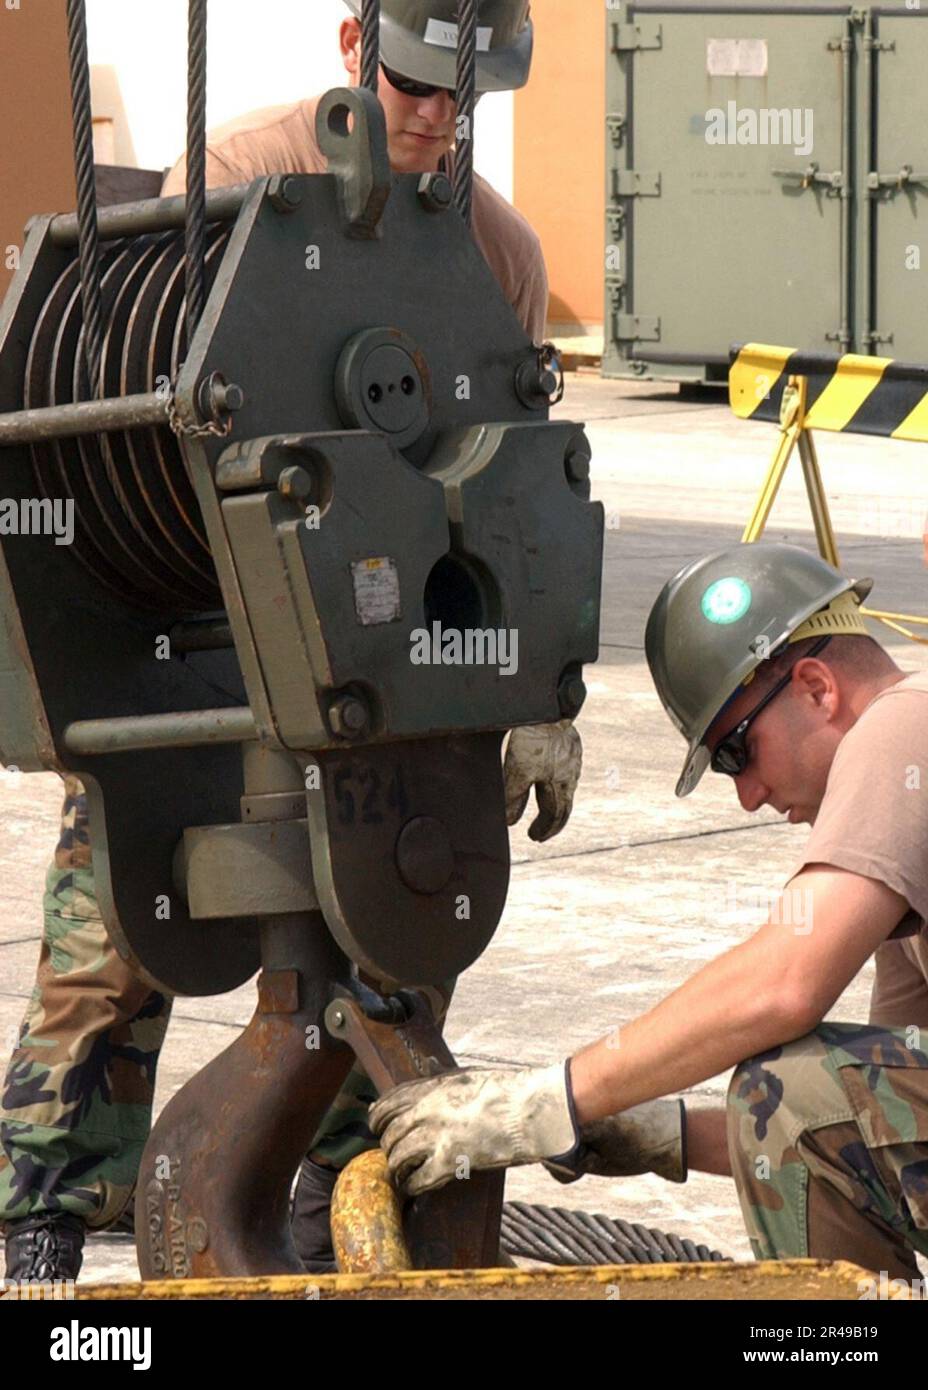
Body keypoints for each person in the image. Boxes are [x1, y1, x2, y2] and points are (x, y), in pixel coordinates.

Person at [1, 0, 583, 1282]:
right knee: (115, 924)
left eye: (461, 98)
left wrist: (536, 688)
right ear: (349, 48)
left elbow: (512, 482)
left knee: (400, 919)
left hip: (385, 644)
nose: (433, 119)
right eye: (413, 85)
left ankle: (342, 1197)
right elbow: (157, 416)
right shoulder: (237, 179)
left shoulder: (499, 250)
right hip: (198, 612)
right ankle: (50, 1203)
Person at [372, 542, 928, 1283]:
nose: (748, 796)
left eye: (736, 753)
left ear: (817, 688)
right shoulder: (905, 877)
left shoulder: (906, 723)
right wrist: (666, 1136)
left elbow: (785, 985)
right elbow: (880, 1120)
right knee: (795, 1095)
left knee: (784, 1085)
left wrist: (547, 1099)